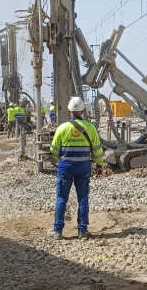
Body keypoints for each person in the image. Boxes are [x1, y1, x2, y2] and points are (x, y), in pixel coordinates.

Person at [48, 97, 103, 240]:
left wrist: (63, 157)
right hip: (83, 167)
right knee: (83, 198)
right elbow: (97, 149)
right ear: (82, 110)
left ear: (69, 110)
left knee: (61, 198)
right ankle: (82, 231)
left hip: (65, 168)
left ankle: (58, 231)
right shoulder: (90, 128)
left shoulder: (62, 128)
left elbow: (53, 150)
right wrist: (99, 165)